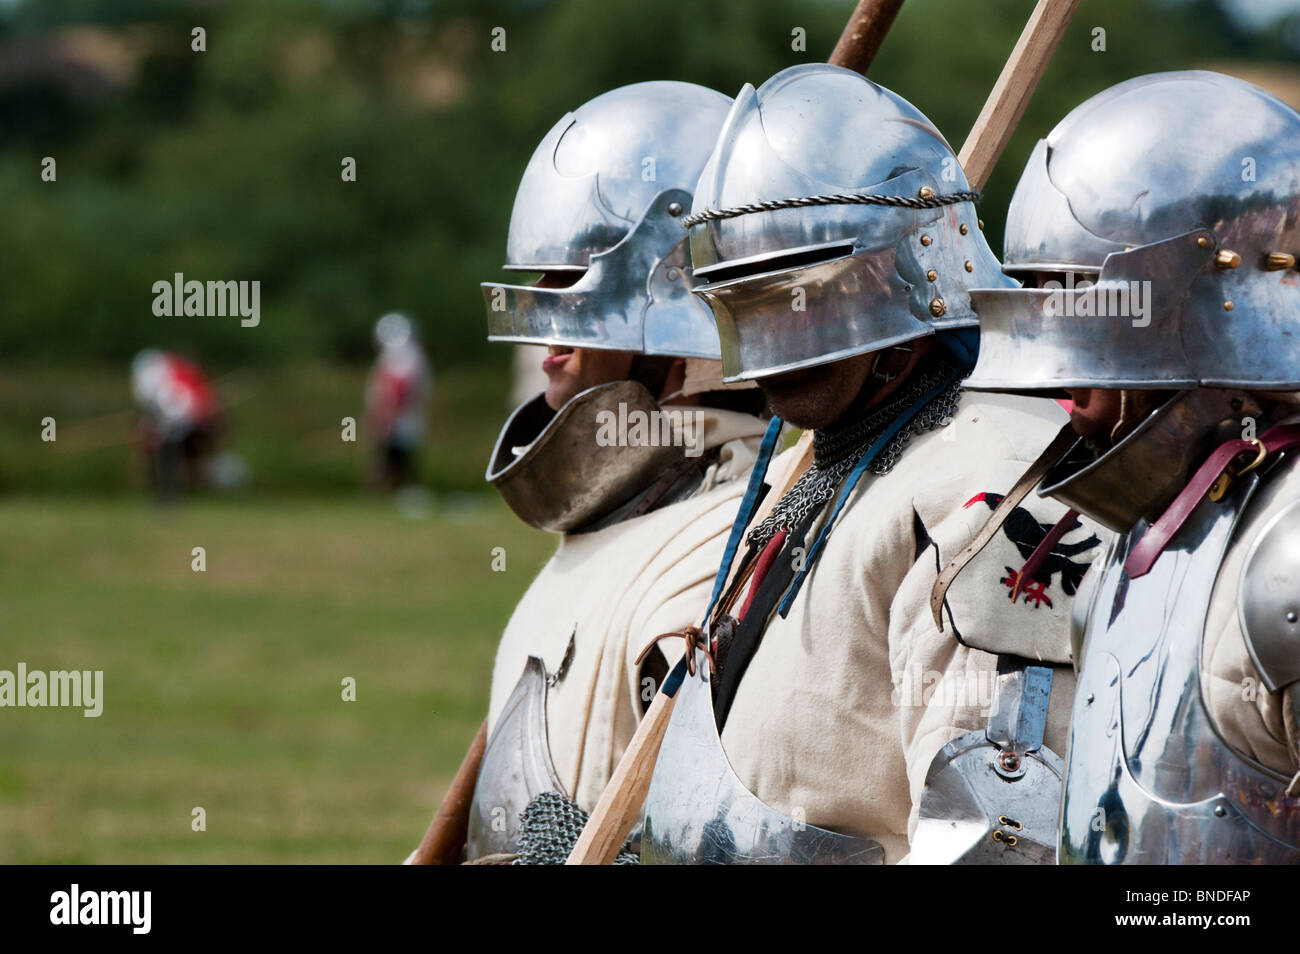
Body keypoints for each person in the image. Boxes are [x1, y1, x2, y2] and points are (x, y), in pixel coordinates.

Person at [636, 64, 1103, 865]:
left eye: (790, 297)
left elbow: (996, 837)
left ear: (907, 275)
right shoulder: (820, 461)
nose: (764, 345)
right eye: (740, 301)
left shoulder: (992, 488)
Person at [413, 81, 768, 864]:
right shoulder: (628, 521)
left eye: (575, 298)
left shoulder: (729, 546)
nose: (551, 345)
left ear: (682, 312)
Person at [962, 70, 1300, 863]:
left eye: (1076, 300)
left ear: (1199, 303)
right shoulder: (1142, 531)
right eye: (1036, 298)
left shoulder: (1288, 550)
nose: (1049, 365)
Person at [130, 349, 222, 501]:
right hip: (175, 424)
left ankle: (169, 494)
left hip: (181, 425)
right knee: (165, 458)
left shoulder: (163, 379)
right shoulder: (171, 375)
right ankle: (168, 493)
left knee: (169, 459)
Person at [364, 312, 431, 491]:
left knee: (395, 458)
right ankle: (393, 490)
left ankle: (394, 490)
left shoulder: (402, 355)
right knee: (394, 458)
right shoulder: (405, 354)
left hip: (397, 418)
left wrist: (385, 415)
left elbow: (397, 386)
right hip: (397, 418)